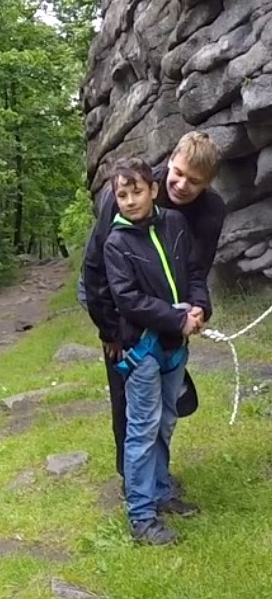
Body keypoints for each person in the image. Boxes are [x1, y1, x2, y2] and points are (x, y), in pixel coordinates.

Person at [78, 129, 224, 495]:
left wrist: (198, 308)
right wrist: (110, 332)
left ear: (208, 183)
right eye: (178, 173)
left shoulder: (210, 211)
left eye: (195, 181)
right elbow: (96, 268)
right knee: (127, 388)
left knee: (166, 391)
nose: (182, 185)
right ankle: (133, 481)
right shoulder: (132, 191)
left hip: (164, 295)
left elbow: (197, 268)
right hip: (111, 291)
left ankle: (155, 476)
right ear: (169, 162)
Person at [99, 156, 208, 544]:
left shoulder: (175, 224)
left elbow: (194, 272)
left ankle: (161, 491)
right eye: (122, 195)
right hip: (142, 350)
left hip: (174, 349)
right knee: (142, 429)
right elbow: (127, 300)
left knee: (165, 422)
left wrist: (200, 306)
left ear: (153, 190)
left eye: (137, 192)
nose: (130, 201)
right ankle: (141, 516)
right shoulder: (116, 243)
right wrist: (177, 319)